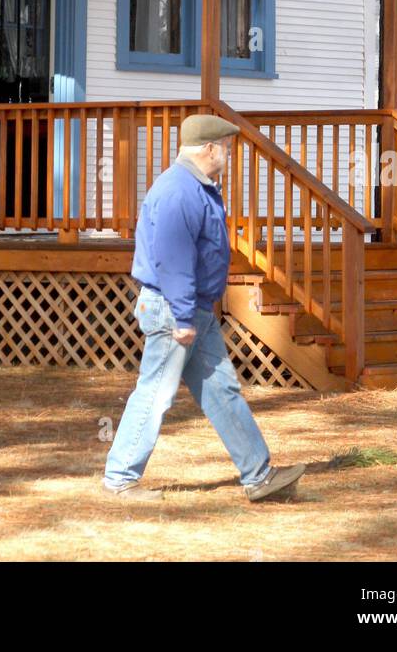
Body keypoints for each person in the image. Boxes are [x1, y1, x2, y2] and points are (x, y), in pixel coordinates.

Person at [102, 113, 306, 503]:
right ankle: (119, 479)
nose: (227, 155)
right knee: (155, 394)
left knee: (222, 391)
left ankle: (259, 476)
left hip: (194, 310)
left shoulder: (198, 186)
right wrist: (182, 316)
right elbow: (173, 260)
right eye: (225, 148)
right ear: (209, 149)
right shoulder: (179, 191)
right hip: (173, 310)